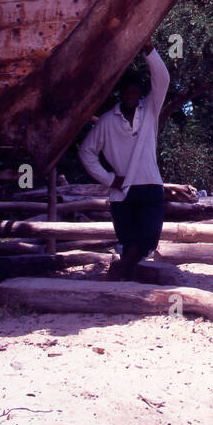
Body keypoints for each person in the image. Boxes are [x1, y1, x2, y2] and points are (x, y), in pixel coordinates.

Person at [78, 47, 170, 281]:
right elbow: (86, 151)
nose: (130, 96)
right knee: (128, 240)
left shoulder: (149, 110)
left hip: (150, 185)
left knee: (149, 238)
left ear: (140, 94)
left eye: (134, 92)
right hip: (122, 190)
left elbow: (163, 78)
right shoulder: (108, 121)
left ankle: (120, 271)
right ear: (120, 94)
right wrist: (109, 179)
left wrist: (149, 50)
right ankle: (125, 277)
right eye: (126, 92)